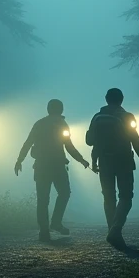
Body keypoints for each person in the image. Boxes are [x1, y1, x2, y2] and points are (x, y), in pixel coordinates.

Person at [14, 99, 91, 242]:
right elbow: (69, 146)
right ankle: (56, 222)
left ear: (48, 109)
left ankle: (44, 231)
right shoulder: (62, 124)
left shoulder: (39, 124)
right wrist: (81, 160)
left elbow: (28, 143)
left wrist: (19, 161)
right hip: (58, 166)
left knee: (43, 199)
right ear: (61, 110)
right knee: (64, 193)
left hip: (41, 166)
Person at [85, 88, 139, 250]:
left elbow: (90, 142)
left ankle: (112, 231)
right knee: (126, 197)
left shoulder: (97, 117)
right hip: (124, 162)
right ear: (122, 99)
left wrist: (94, 162)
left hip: (104, 162)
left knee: (109, 197)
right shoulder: (127, 117)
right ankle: (115, 231)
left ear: (106, 99)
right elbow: (136, 141)